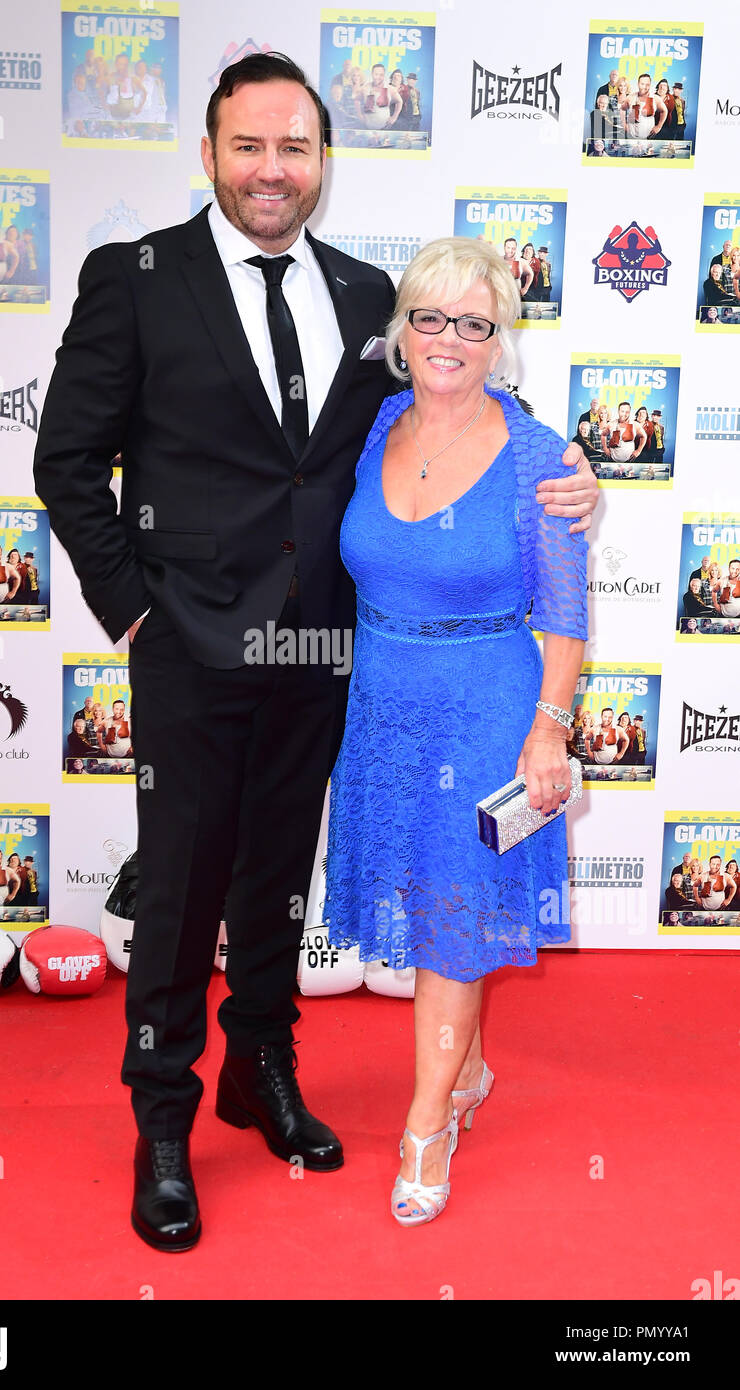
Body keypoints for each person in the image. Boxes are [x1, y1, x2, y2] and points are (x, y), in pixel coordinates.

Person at [33, 51, 597, 1254]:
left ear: (322, 163)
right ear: (209, 155)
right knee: (183, 890)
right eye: (249, 146)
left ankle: (259, 1071)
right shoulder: (135, 280)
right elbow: (67, 462)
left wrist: (571, 486)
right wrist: (132, 608)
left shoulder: (359, 298)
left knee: (278, 877)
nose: (272, 169)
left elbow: (442, 436)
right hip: (186, 647)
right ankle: (166, 1117)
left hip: (320, 652)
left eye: (294, 148)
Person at [322, 235, 588, 1224]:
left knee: (451, 923)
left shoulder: (537, 461)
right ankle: (468, 1069)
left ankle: (426, 1123)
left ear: (497, 341)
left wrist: (547, 734)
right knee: (434, 912)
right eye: (428, 317)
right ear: (401, 332)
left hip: (488, 718)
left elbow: (562, 612)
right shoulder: (380, 420)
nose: (447, 339)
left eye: (471, 324)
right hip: (385, 707)